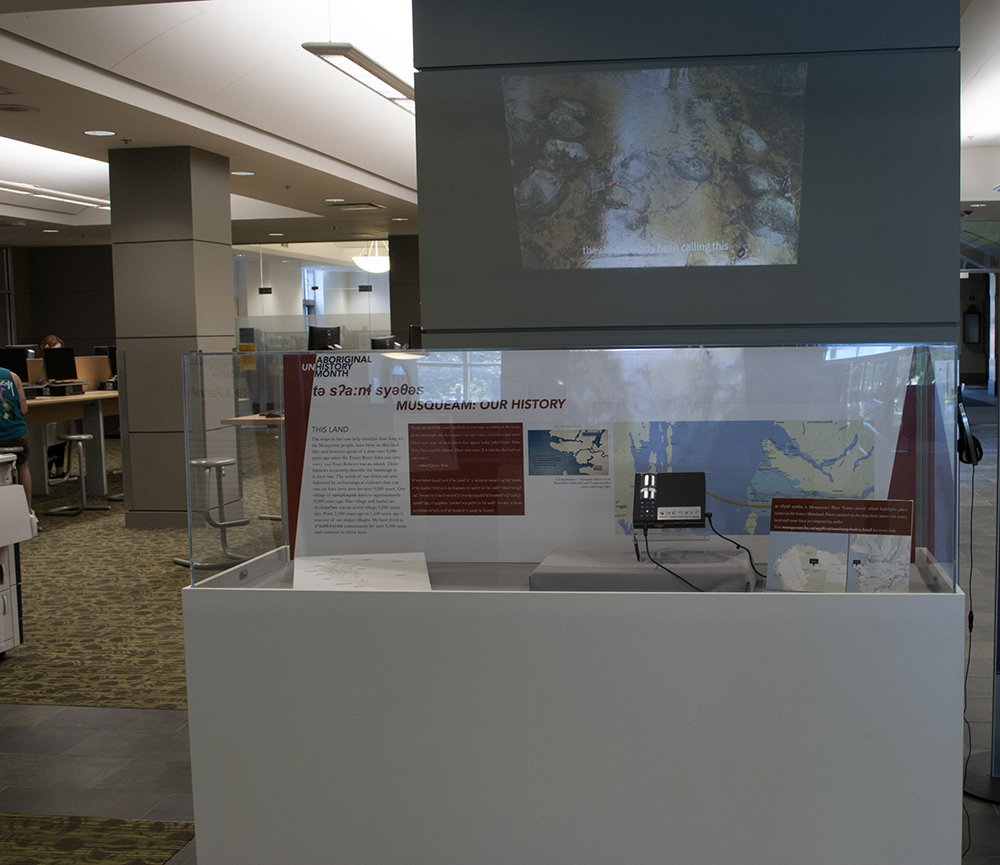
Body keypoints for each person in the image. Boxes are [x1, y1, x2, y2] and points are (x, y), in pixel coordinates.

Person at [0, 362, 32, 511]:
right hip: (17, 436)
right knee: (22, 466)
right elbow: (24, 410)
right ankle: (27, 511)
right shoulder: (13, 376)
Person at [40, 334, 69, 479]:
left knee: (63, 427)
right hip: (47, 407)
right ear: (46, 348)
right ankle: (47, 471)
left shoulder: (61, 366)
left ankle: (59, 470)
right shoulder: (38, 365)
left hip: (60, 403)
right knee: (51, 434)